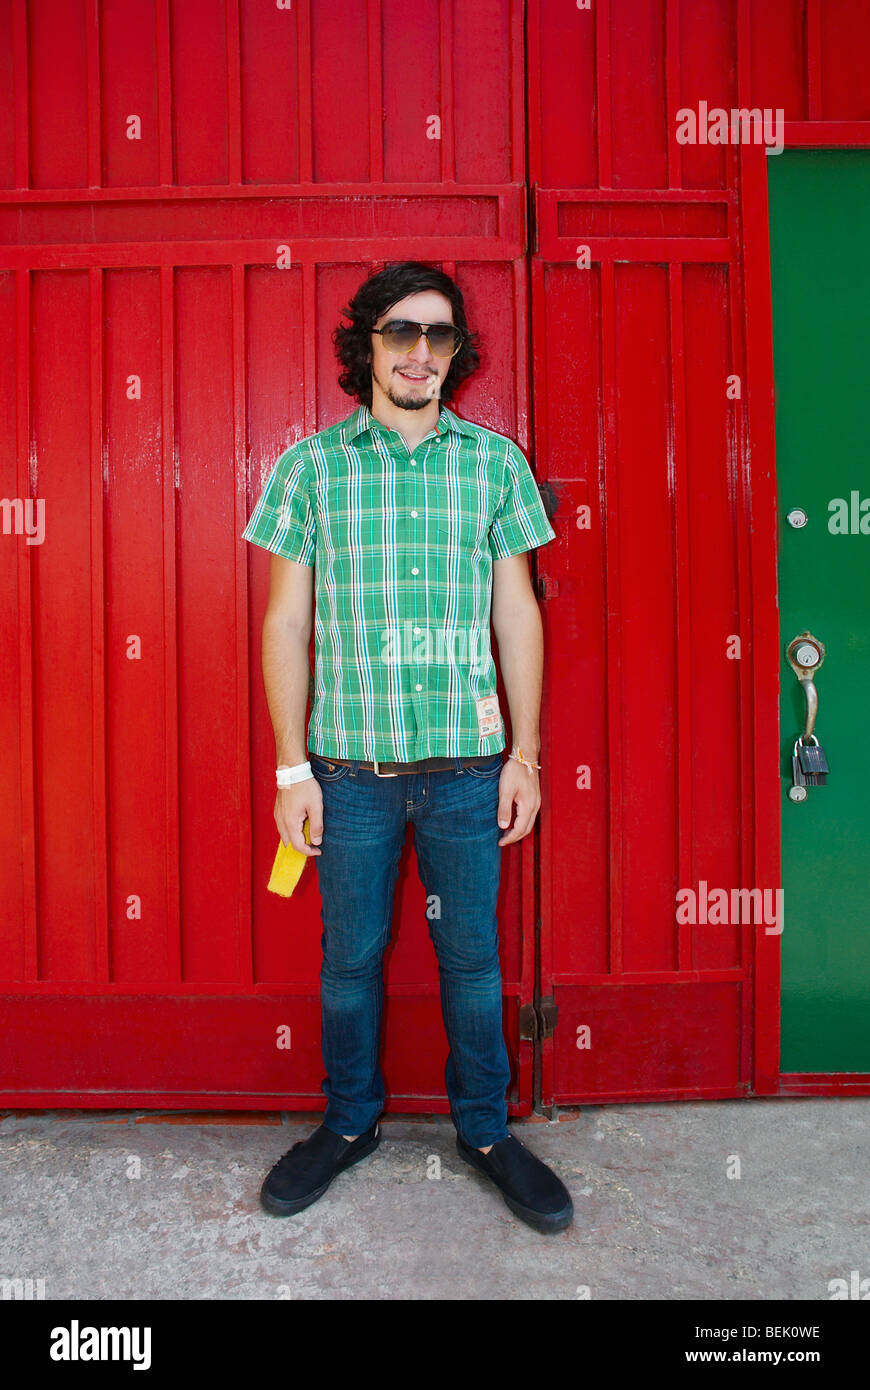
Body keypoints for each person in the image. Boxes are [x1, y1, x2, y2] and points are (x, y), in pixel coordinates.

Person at [242, 261, 572, 1234]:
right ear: (368, 345)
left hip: (471, 773)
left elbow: (518, 611)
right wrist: (290, 767)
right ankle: (347, 1123)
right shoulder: (311, 467)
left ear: (457, 351)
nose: (421, 350)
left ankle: (484, 1128)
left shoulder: (494, 463)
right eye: (400, 332)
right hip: (349, 776)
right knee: (350, 959)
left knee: (472, 961)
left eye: (438, 334)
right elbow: (283, 620)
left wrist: (527, 755)